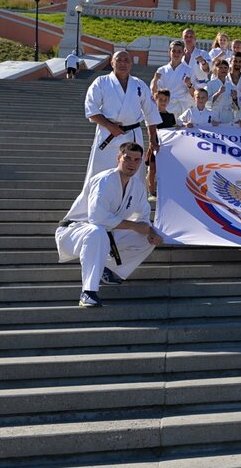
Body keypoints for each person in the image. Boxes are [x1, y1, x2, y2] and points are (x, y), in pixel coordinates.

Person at [56, 142, 163, 308]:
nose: (132, 164)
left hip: (107, 233)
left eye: (136, 160)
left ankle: (105, 267)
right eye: (127, 158)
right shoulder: (104, 180)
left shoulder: (138, 187)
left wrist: (150, 231)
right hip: (74, 231)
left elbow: (143, 217)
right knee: (96, 232)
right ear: (118, 158)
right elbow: (97, 218)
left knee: (147, 238)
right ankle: (88, 292)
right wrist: (134, 226)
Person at [67, 50, 161, 221]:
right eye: (119, 60)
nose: (123, 63)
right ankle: (93, 213)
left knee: (135, 177)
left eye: (127, 60)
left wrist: (152, 137)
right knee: (101, 174)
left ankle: (134, 216)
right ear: (112, 63)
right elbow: (91, 110)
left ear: (131, 64)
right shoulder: (101, 82)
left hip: (132, 135)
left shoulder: (139, 85)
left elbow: (151, 112)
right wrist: (110, 126)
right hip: (108, 135)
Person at [144, 89, 177, 201]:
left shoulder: (171, 116)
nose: (163, 102)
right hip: (154, 145)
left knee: (165, 170)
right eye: (161, 99)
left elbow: (174, 130)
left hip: (167, 148)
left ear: (168, 101)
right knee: (152, 169)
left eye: (165, 100)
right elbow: (150, 130)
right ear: (156, 99)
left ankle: (165, 191)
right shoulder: (152, 114)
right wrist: (153, 144)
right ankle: (151, 192)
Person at [151, 40, 193, 117]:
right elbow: (154, 93)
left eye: (179, 51)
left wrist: (189, 84)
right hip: (163, 108)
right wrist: (155, 80)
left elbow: (194, 94)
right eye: (174, 51)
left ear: (183, 53)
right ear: (169, 52)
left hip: (180, 109)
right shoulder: (161, 70)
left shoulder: (189, 70)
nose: (176, 54)